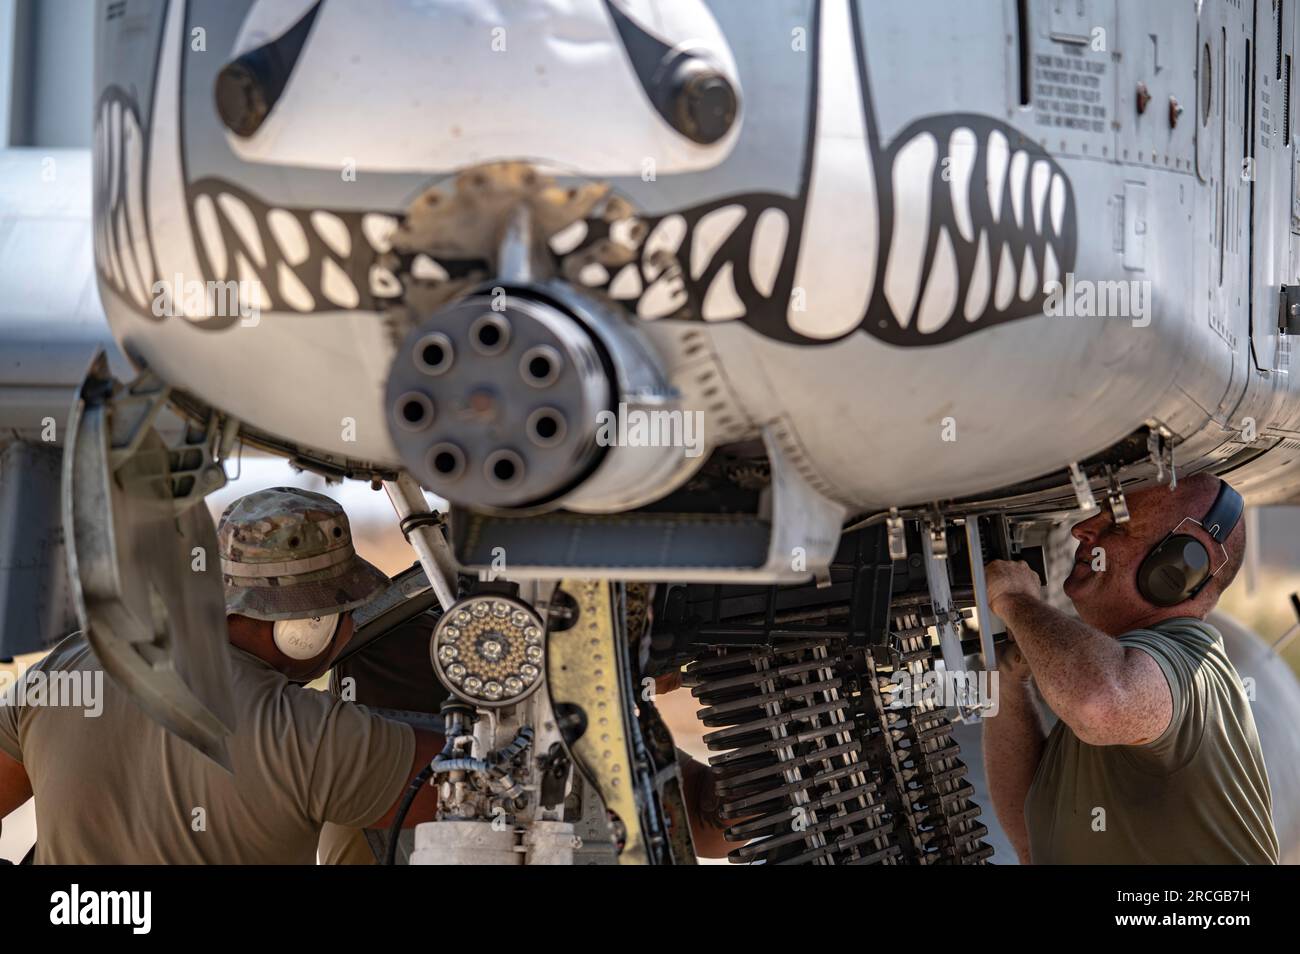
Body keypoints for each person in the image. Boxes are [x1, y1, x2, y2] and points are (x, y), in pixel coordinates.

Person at [0, 487, 442, 863]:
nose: (350, 626)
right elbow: (474, 776)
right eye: (347, 610)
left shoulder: (69, 666)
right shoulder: (308, 737)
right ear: (308, 630)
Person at [982, 473, 1279, 864]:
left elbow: (1099, 702)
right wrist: (1007, 680)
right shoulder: (1128, 672)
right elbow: (1033, 839)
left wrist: (1016, 600)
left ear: (1177, 566)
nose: (1081, 530)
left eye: (1117, 523)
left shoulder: (1189, 663)